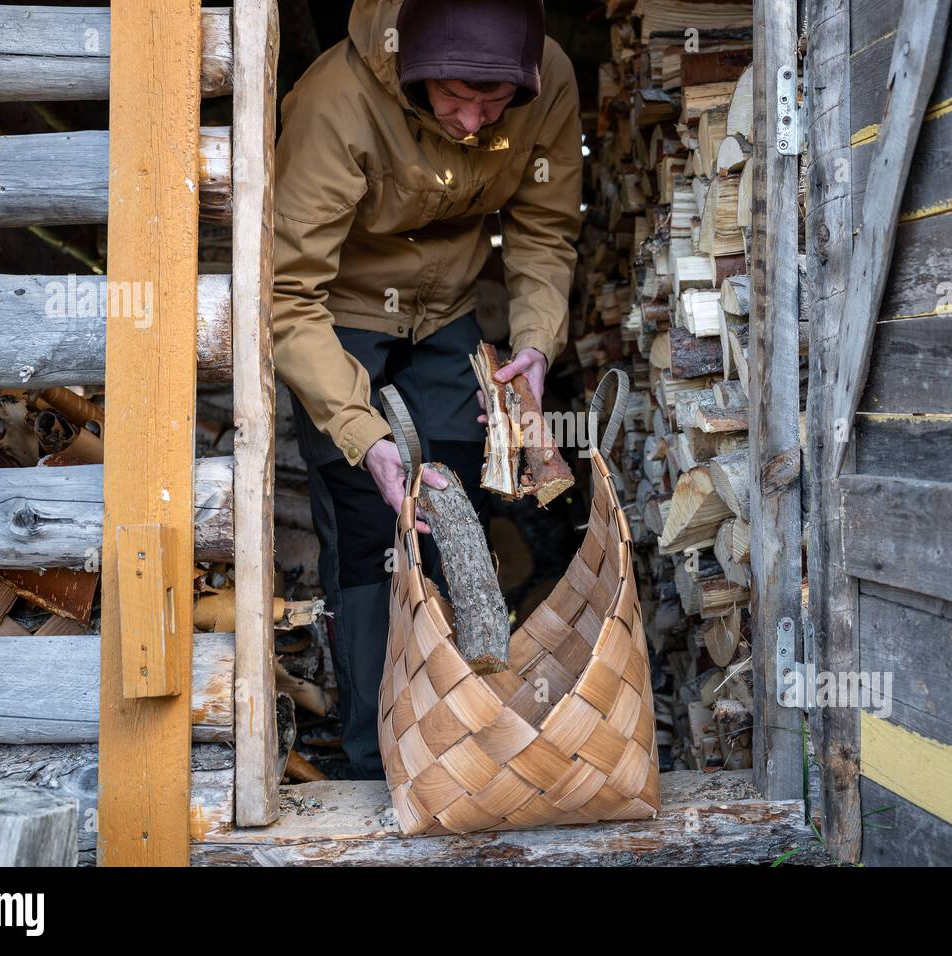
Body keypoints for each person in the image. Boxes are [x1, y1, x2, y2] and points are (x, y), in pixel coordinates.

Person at [271, 0, 583, 779]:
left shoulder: (547, 82)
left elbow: (545, 230)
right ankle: (375, 753)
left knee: (454, 507)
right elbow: (286, 294)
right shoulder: (332, 103)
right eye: (452, 98)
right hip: (338, 307)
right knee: (369, 518)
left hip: (446, 308)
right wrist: (359, 428)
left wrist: (539, 343)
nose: (474, 124)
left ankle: (460, 724)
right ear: (411, 72)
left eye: (493, 103)